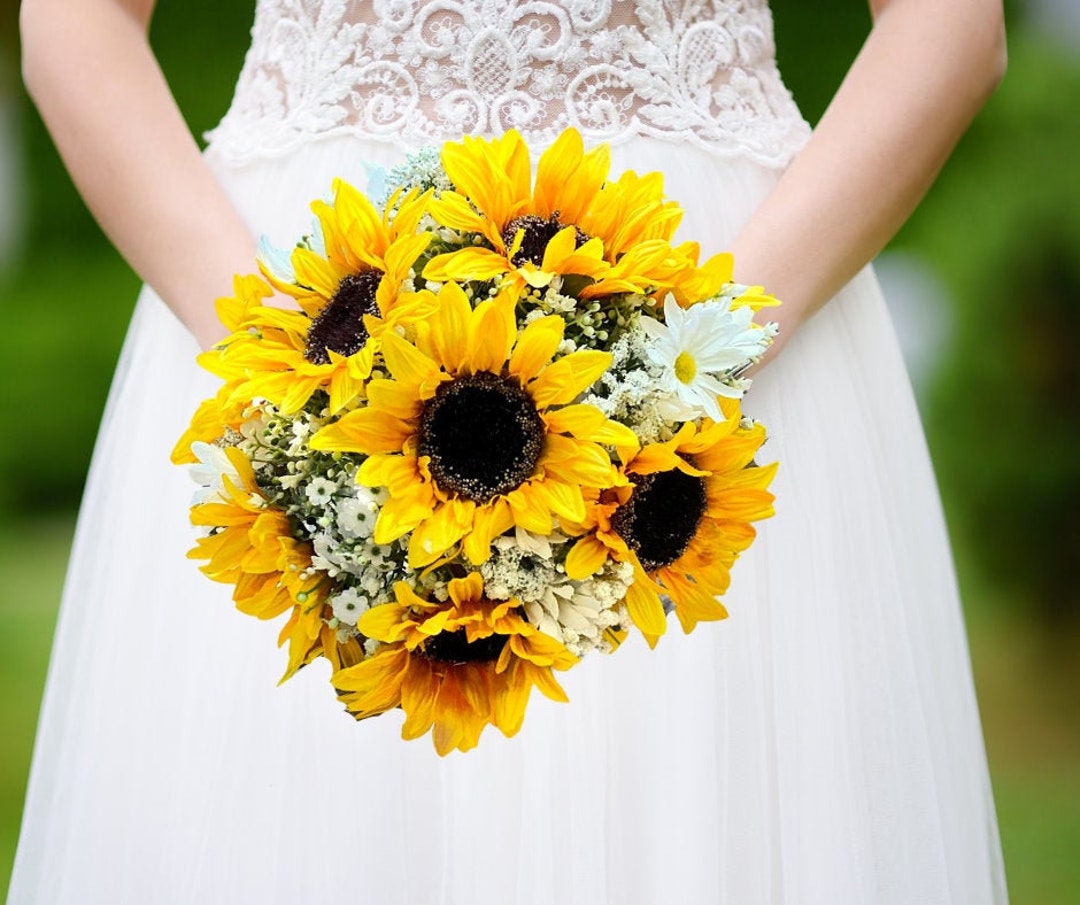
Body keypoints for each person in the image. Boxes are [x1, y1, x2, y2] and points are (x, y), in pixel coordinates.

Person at [12, 1, 1008, 902]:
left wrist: (686, 360)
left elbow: (948, 25)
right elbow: (76, 21)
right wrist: (298, 366)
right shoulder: (294, 341)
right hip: (297, 286)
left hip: (720, 281)